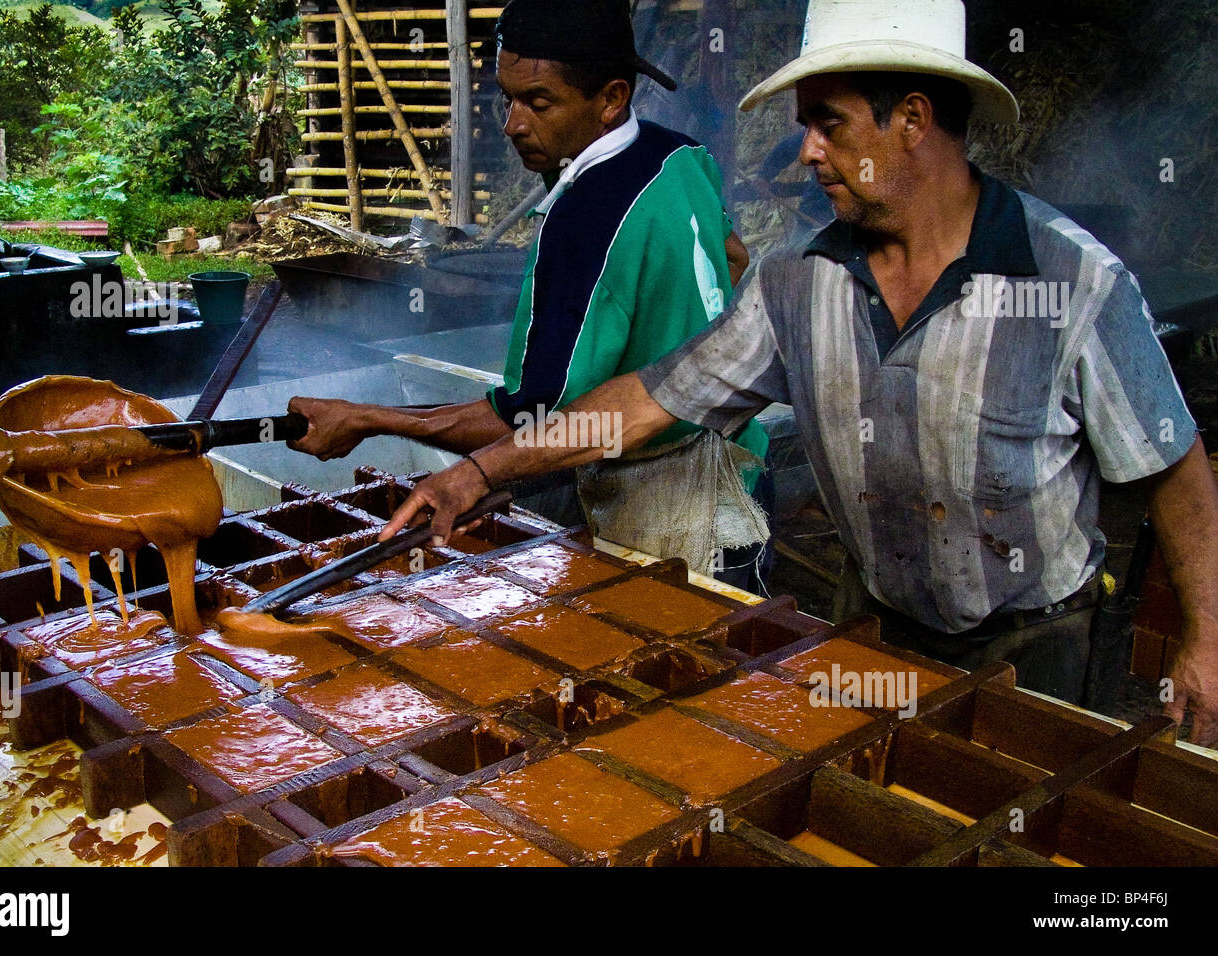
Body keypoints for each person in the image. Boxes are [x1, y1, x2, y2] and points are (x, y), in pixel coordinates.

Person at [376, 0, 1218, 746]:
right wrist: (482, 472)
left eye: (828, 123)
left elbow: (1175, 467)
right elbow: (645, 401)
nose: (807, 152)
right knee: (879, 817)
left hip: (1037, 646)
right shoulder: (799, 278)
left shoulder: (1072, 281)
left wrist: (1206, 642)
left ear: (914, 120)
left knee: (1019, 829)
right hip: (876, 629)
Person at [289, 0, 774, 593]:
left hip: (676, 509)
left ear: (611, 98)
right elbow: (733, 255)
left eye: (539, 103)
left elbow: (529, 422)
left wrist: (366, 418)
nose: (513, 123)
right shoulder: (676, 153)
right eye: (507, 98)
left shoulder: (585, 222)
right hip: (739, 466)